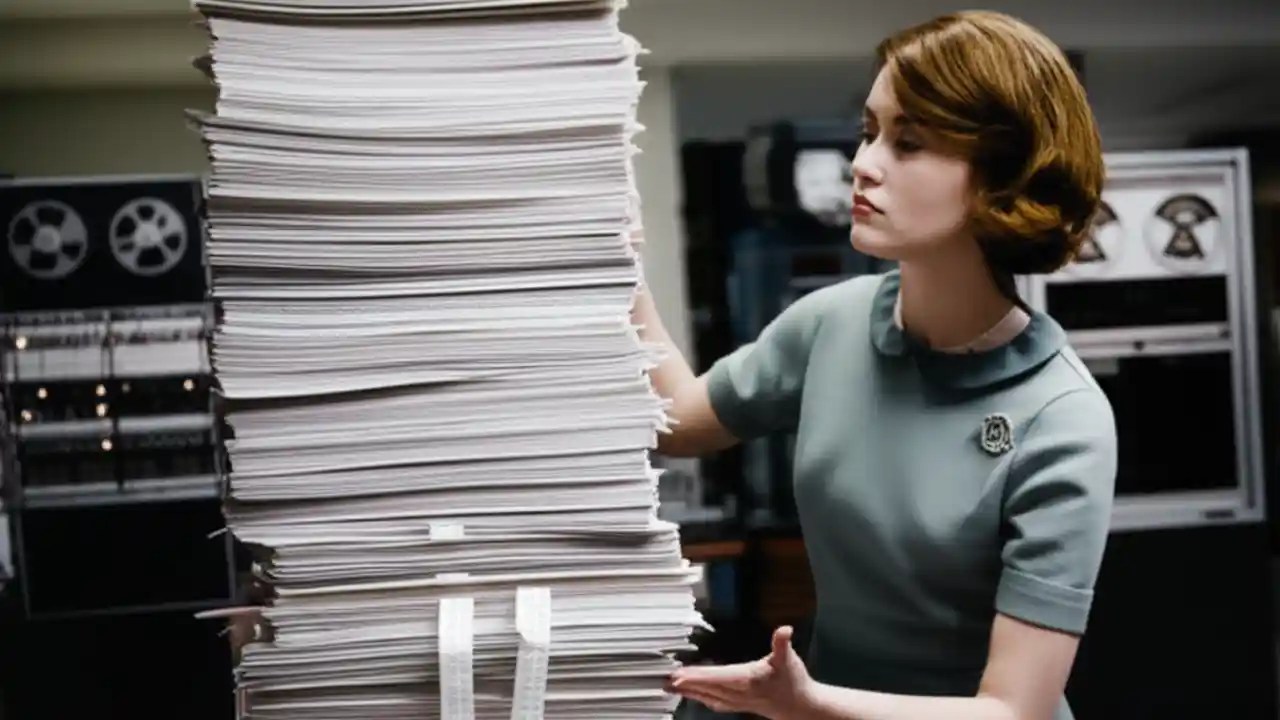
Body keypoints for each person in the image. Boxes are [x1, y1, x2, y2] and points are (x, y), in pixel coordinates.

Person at [643, 11, 1117, 720]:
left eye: (910, 141)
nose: (863, 163)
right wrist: (613, 252)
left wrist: (807, 704)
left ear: (1001, 178)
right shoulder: (831, 323)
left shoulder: (1063, 420)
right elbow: (679, 420)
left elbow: (1013, 711)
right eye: (871, 131)